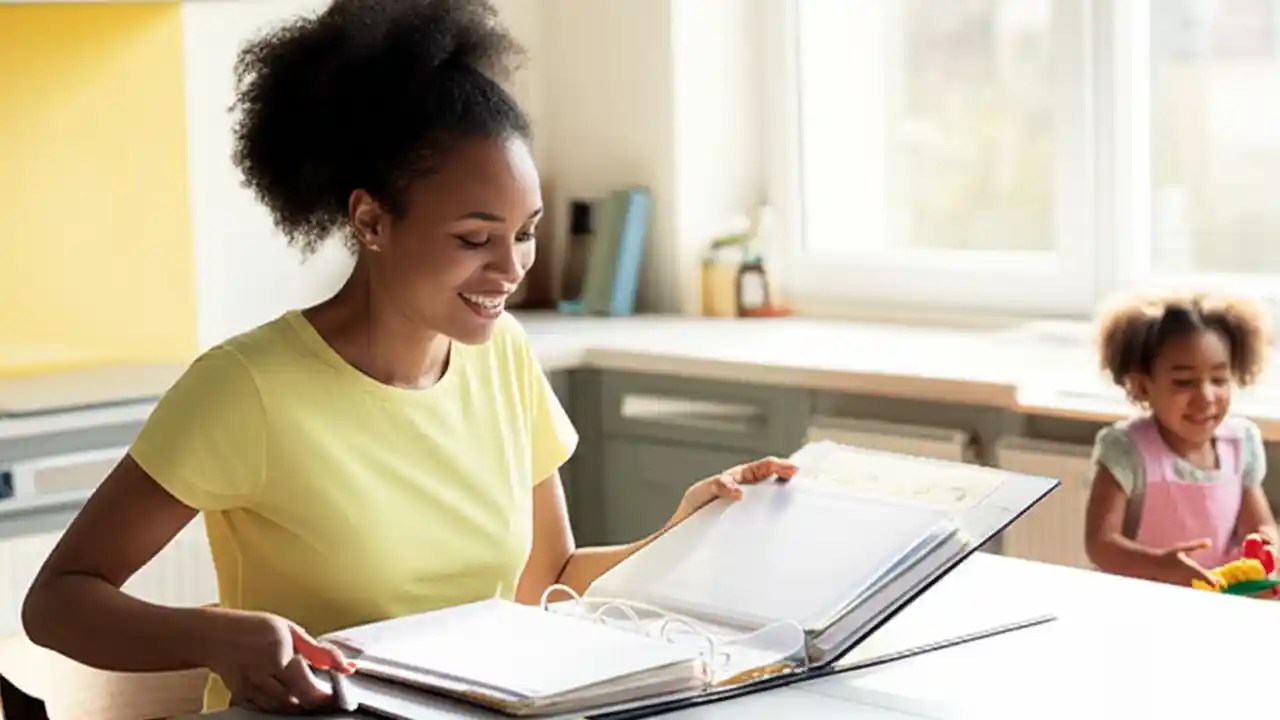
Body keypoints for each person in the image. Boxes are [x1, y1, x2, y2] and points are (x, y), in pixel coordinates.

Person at [19, 0, 798, 713]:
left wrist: (691, 531)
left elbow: (548, 583)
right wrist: (216, 636)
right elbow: (57, 601)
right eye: (473, 239)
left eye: (524, 232)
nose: (513, 267)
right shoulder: (247, 388)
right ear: (371, 220)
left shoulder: (504, 360)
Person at [1084, 290, 1278, 590]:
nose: (1206, 397)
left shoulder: (1241, 442)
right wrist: (1160, 566)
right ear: (1143, 386)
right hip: (1142, 599)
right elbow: (1100, 544)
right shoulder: (1127, 449)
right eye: (1184, 382)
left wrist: (1268, 546)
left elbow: (1260, 525)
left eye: (1219, 380)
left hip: (1220, 598)